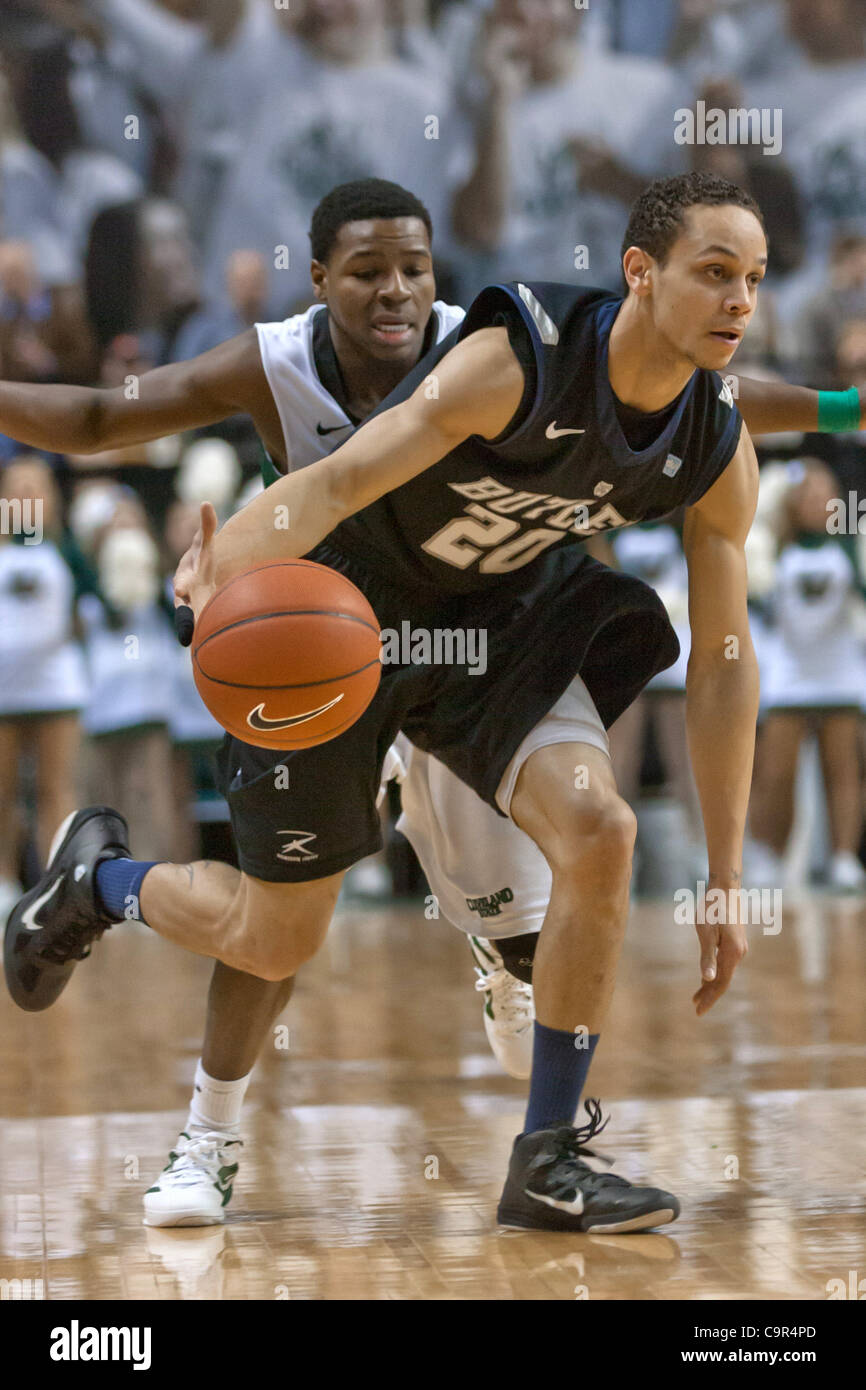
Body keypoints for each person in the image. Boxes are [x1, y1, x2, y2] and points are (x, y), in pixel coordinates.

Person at [4, 172, 864, 1236]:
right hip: (344, 622)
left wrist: (726, 873)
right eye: (715, 273)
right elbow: (322, 485)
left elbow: (727, 640)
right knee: (275, 936)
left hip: (500, 628)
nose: (739, 300)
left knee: (601, 826)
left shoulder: (686, 421)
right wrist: (220, 561)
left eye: (753, 280)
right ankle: (108, 893)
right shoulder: (495, 361)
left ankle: (546, 1148)